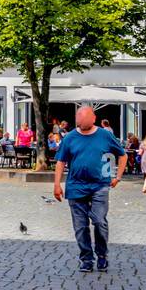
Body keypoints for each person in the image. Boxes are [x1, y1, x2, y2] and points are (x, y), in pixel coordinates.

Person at [55, 105, 127, 272]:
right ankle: (86, 258)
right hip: (75, 186)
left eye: (84, 121)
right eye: (79, 121)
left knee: (99, 221)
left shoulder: (105, 135)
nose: (80, 124)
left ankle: (102, 255)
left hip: (100, 185)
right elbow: (61, 161)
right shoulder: (70, 137)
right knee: (80, 226)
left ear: (93, 119)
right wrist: (57, 184)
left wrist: (118, 177)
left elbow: (122, 154)